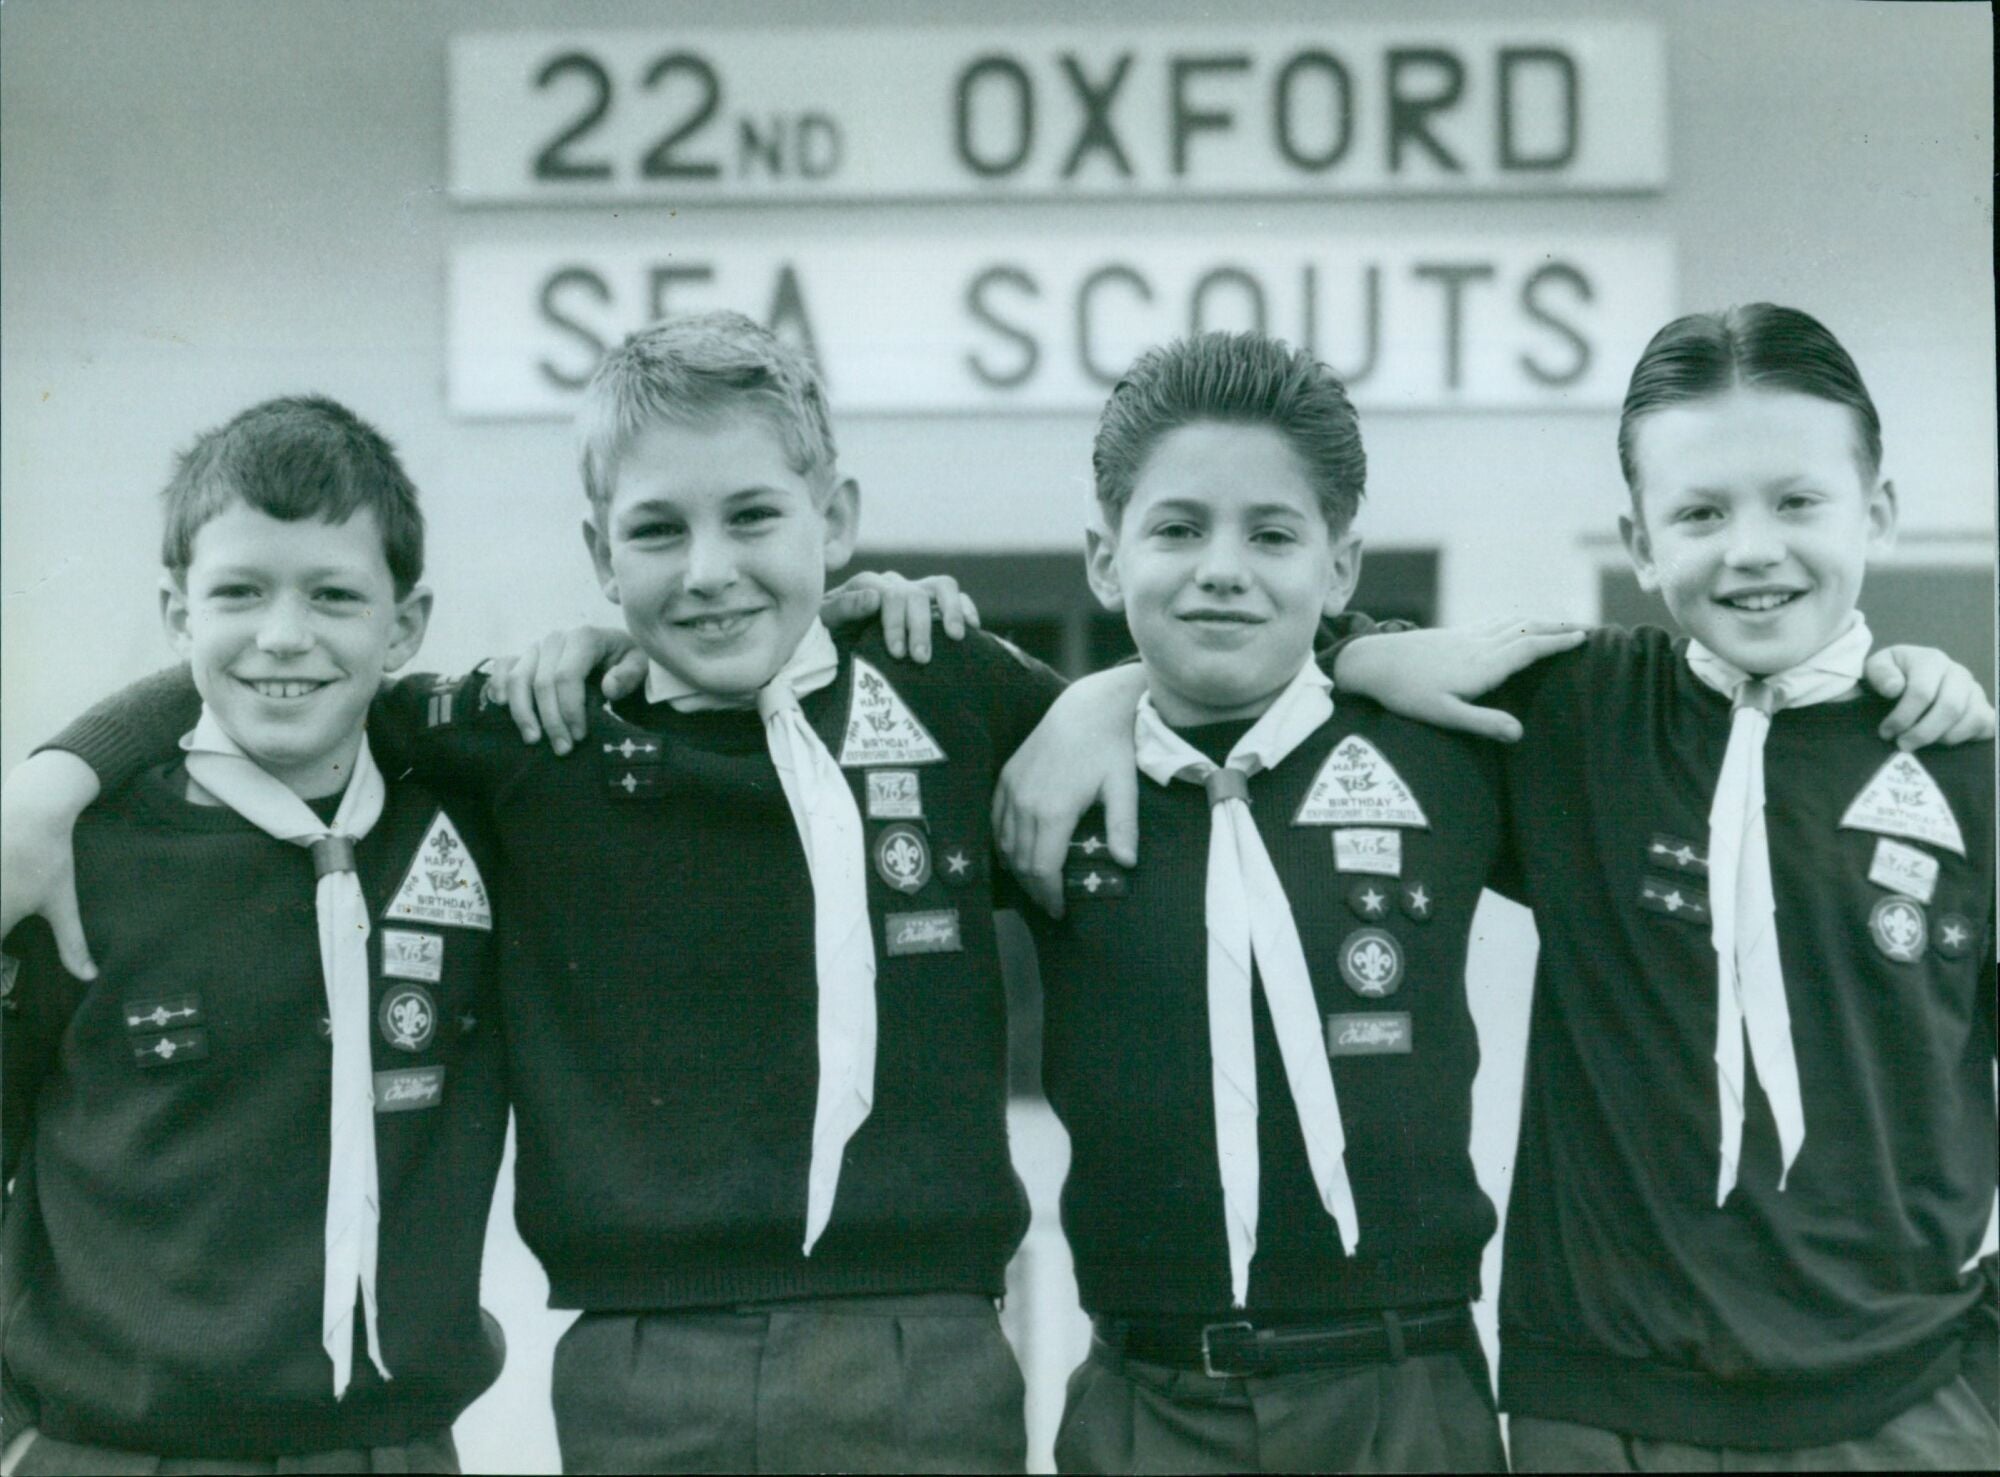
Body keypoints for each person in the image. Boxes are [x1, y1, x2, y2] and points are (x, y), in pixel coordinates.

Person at [3, 313, 1061, 1475]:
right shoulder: (530, 748)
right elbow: (280, 680)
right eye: (657, 530)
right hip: (632, 1372)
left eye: (753, 516)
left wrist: (1097, 707)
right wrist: (63, 772)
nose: (708, 568)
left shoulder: (946, 688)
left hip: (918, 1355)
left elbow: (1167, 736)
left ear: (838, 518)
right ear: (602, 554)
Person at [1000, 304, 2000, 1470]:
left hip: (1908, 1407)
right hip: (1600, 1415)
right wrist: (1098, 695)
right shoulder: (1567, 715)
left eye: (1795, 503)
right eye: (1698, 512)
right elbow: (1261, 656)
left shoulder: (1961, 762)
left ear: (1874, 512)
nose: (1750, 548)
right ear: (1635, 540)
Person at [1025, 330, 1519, 1473]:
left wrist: (1359, 650)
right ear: (1104, 560)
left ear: (1338, 566)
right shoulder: (1040, 773)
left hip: (1406, 1397)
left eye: (1272, 534)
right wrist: (1091, 699)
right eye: (1177, 528)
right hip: (1147, 1403)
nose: (1220, 567)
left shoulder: (1442, 749)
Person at [0, 396, 508, 1475]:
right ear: (176, 614)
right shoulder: (70, 861)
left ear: (405, 624)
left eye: (333, 595)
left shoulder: (480, 819)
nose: (285, 636)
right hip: (107, 1451)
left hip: (391, 1451)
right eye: (239, 592)